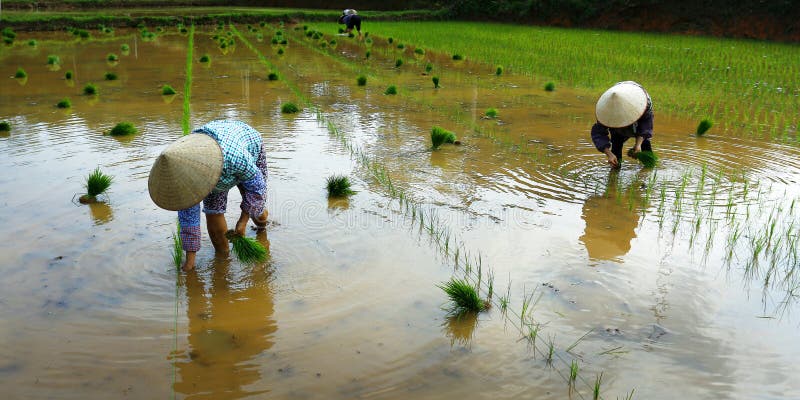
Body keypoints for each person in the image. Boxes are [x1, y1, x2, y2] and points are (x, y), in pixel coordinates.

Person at [148, 119, 268, 272]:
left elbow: (258, 189)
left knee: (257, 212)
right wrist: (189, 264)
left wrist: (242, 222)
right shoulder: (185, 178)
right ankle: (223, 259)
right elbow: (189, 219)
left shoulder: (235, 158)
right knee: (213, 212)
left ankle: (263, 227)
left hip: (244, 150)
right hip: (212, 164)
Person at [590, 81, 654, 168]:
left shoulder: (644, 104)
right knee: (616, 143)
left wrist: (638, 144)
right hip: (616, 127)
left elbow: (645, 127)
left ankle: (648, 169)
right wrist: (609, 154)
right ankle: (615, 172)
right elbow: (598, 134)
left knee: (645, 143)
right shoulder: (605, 112)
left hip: (637, 110)